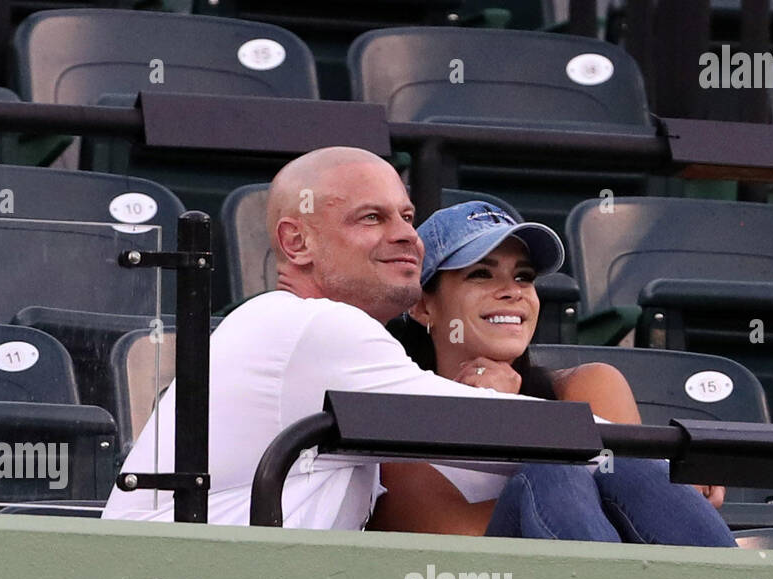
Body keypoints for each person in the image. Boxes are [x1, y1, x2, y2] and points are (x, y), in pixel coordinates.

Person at [102, 147, 531, 526]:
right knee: (559, 472)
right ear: (297, 242)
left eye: (406, 216)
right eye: (371, 217)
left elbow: (483, 466)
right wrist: (589, 438)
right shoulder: (311, 326)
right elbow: (508, 442)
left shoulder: (301, 328)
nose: (406, 235)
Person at [371, 201, 736, 547]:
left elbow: (641, 501)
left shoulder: (589, 385)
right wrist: (499, 409)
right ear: (422, 305)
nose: (512, 292)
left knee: (629, 466)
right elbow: (462, 553)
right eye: (481, 274)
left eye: (523, 277)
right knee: (555, 473)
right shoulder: (398, 421)